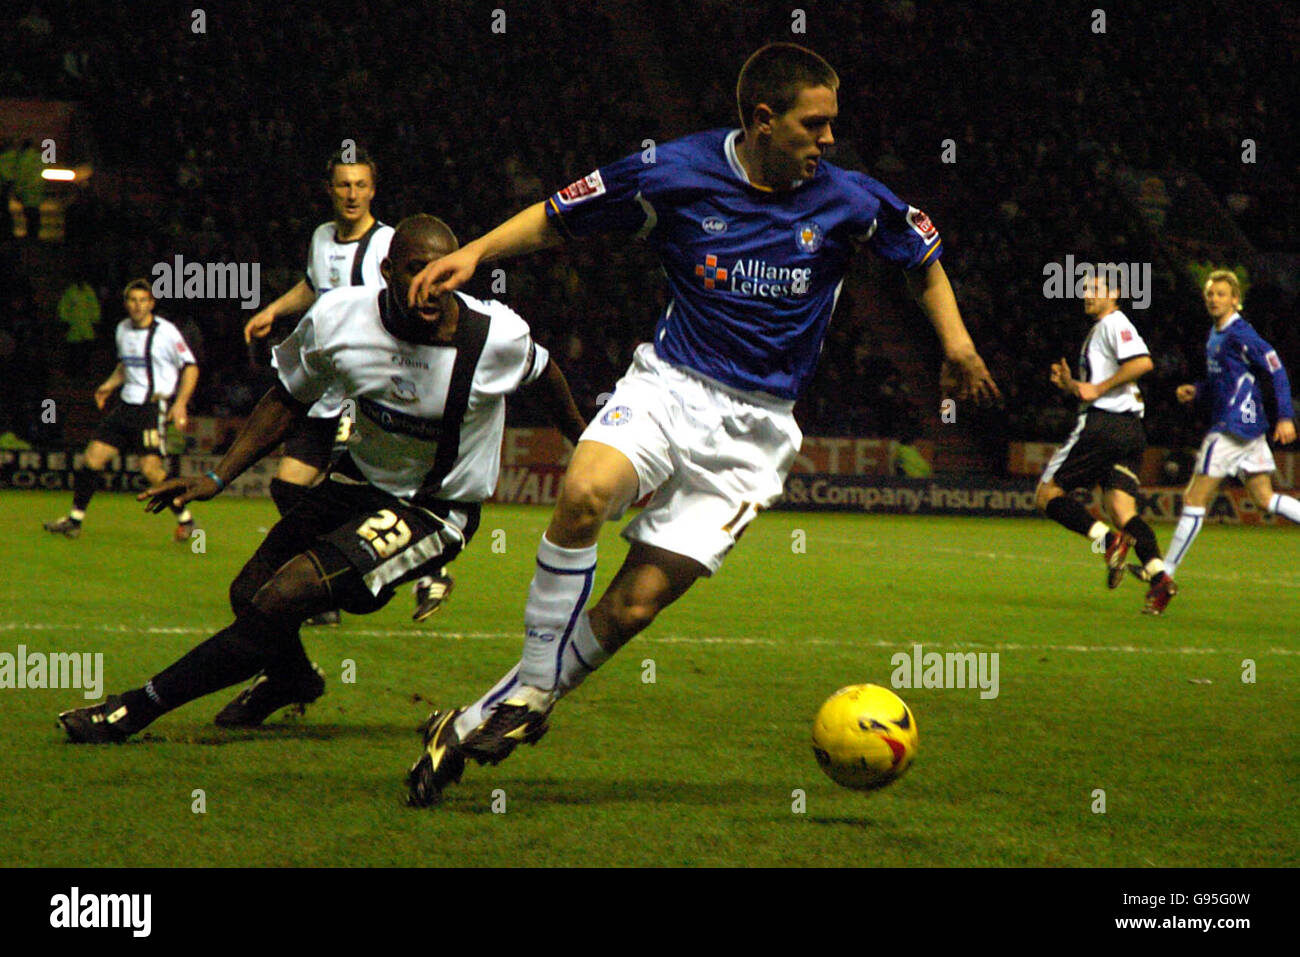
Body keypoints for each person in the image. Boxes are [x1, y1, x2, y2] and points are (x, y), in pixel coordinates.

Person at [402, 43, 1000, 806]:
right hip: (669, 387)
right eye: (814, 126)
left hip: (757, 433)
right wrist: (478, 251)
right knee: (585, 492)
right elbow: (560, 215)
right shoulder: (673, 172)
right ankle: (533, 684)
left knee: (633, 606)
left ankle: (490, 712)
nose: (828, 141)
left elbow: (921, 253)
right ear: (763, 119)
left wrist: (957, 342)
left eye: (831, 127)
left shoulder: (849, 199)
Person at [56, 215, 586, 743]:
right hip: (356, 484)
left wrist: (584, 448)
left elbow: (547, 376)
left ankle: (134, 709)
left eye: (442, 272)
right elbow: (288, 398)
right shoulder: (338, 318)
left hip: (433, 510)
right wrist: (217, 476)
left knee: (288, 593)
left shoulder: (494, 336)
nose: (431, 284)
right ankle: (292, 679)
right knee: (249, 593)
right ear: (386, 271)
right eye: (414, 269)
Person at [243, 149, 446, 625]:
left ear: (374, 189)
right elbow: (315, 287)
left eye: (360, 185)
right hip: (324, 388)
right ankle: (331, 587)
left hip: (366, 390)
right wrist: (274, 310)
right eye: (343, 185)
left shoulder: (390, 243)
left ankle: (417, 571)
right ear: (329, 189)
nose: (352, 194)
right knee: (288, 485)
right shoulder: (320, 237)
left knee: (369, 490)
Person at [1034, 273, 1174, 612]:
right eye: (1084, 289)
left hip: (1104, 426)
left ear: (1115, 294)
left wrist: (1097, 388)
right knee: (1123, 511)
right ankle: (1160, 579)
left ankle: (1109, 542)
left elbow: (1142, 362)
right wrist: (1071, 385)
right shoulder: (1100, 330)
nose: (1087, 294)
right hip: (1129, 431)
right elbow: (1095, 387)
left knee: (1046, 495)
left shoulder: (1114, 323)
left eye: (1095, 289)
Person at [1157, 270, 1298, 596]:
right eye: (1210, 293)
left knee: (1194, 498)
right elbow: (1226, 382)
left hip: (1231, 428)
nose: (1214, 299)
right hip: (1249, 428)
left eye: (1221, 293)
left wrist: (1287, 416)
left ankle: (1165, 574)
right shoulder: (1216, 334)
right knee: (1264, 499)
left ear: (1235, 299)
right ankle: (1165, 573)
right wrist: (1197, 390)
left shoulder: (1239, 332)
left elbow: (1275, 367)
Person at [44, 279, 199, 542]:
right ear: (127, 304)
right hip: (125, 406)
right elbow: (126, 367)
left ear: (151, 303)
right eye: (133, 300)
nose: (138, 306)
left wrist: (181, 402)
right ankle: (74, 521)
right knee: (92, 458)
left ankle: (187, 521)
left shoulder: (166, 332)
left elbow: (191, 366)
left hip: (152, 408)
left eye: (143, 300)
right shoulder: (122, 330)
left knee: (151, 470)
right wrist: (108, 386)